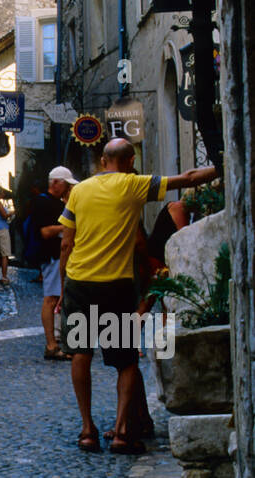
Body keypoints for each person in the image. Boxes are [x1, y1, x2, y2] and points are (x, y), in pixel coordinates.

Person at [56, 139, 216, 454]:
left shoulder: (78, 192)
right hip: (116, 286)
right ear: (130, 161)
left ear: (103, 161)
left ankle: (87, 430)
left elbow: (66, 243)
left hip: (80, 282)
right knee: (126, 361)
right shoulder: (133, 185)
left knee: (81, 354)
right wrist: (221, 166)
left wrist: (63, 289)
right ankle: (121, 431)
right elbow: (188, 178)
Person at [29, 166, 79, 361]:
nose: (68, 190)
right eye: (66, 185)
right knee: (50, 299)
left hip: (57, 255)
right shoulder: (44, 203)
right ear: (56, 183)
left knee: (58, 298)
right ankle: (51, 344)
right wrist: (69, 226)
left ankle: (58, 339)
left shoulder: (54, 202)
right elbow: (45, 231)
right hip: (51, 256)